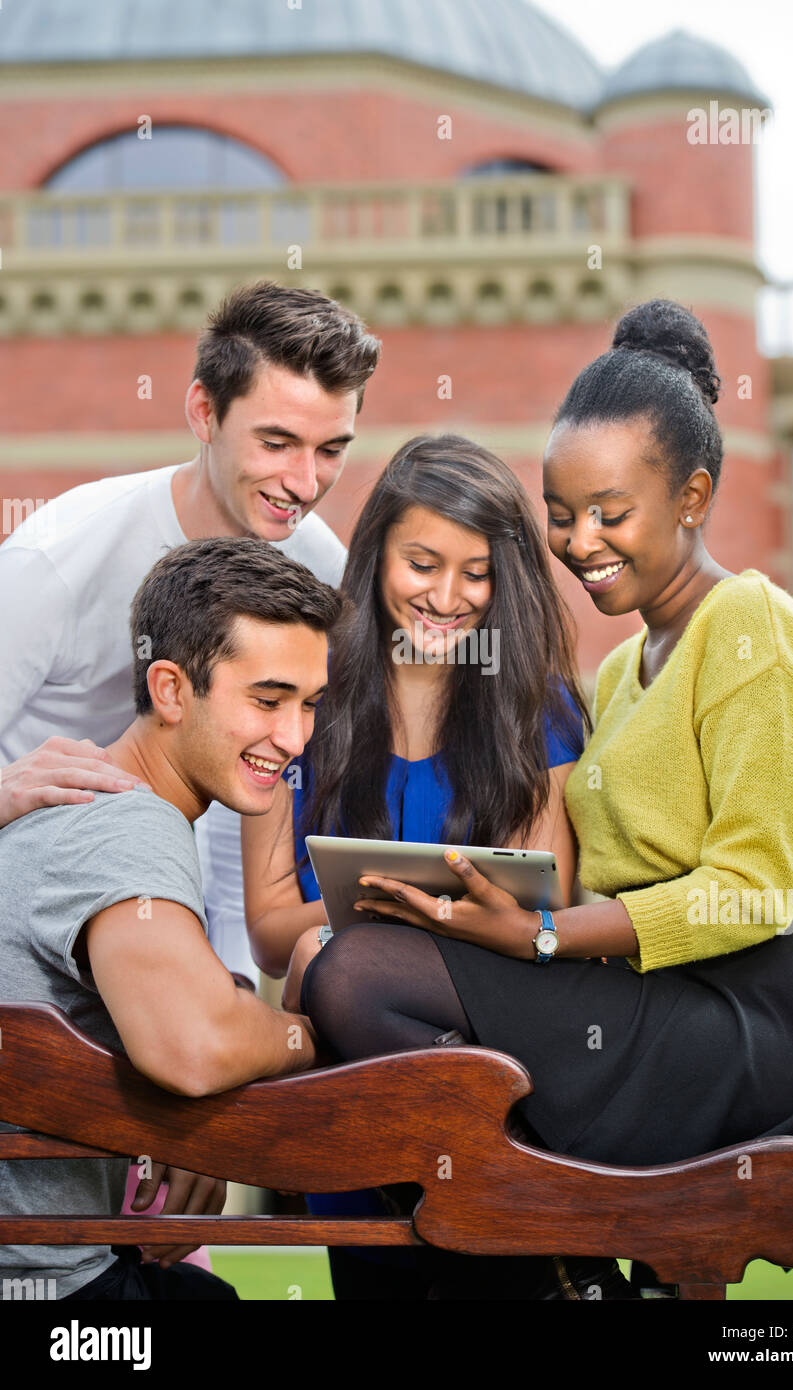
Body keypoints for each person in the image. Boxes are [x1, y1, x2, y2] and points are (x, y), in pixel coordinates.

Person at [297, 300, 793, 1300]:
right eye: (560, 513)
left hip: (767, 1027)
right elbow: (581, 882)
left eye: (611, 511)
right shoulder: (617, 677)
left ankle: (547, 1242)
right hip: (656, 1002)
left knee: (356, 975)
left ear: (692, 496)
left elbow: (750, 891)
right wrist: (498, 916)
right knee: (354, 974)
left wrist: (539, 941)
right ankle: (544, 1252)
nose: (578, 540)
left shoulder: (750, 626)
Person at [242, 433, 590, 1297]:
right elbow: (267, 929)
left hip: (494, 1061)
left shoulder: (533, 710)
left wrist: (388, 922)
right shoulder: (307, 697)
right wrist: (387, 914)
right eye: (421, 563)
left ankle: (529, 1241)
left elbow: (551, 905)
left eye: (475, 572)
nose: (446, 596)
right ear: (377, 559)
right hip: (350, 1099)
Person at [0, 279, 380, 985]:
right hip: (38, 889)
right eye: (276, 442)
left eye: (330, 450)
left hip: (199, 867)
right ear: (204, 412)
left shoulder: (323, 568)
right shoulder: (54, 561)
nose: (302, 481)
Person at [0, 536, 340, 1300]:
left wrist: (192, 1115)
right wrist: (308, 1032)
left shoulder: (72, 802)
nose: (293, 739)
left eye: (309, 705)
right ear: (171, 690)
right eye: (266, 699)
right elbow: (194, 1044)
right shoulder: (128, 823)